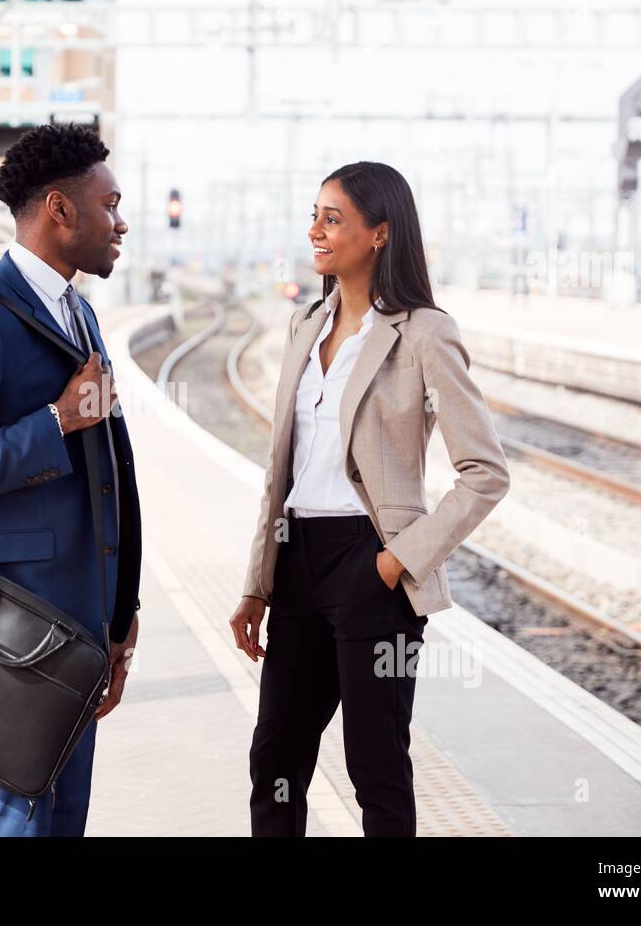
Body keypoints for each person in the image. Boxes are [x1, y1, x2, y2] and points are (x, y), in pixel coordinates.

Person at [230, 161, 511, 837]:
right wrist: (256, 585)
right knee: (274, 756)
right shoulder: (303, 325)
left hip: (371, 567)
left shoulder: (422, 333)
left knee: (376, 767)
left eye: (334, 218)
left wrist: (395, 562)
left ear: (379, 234)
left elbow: (484, 472)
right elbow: (281, 470)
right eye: (314, 215)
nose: (316, 231)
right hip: (296, 561)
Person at [0, 123, 141, 837]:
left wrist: (119, 618)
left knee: (60, 817)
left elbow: (107, 481)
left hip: (79, 628)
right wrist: (55, 421)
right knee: (15, 816)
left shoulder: (79, 314)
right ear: (60, 211)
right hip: (13, 632)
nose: (121, 221)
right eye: (110, 203)